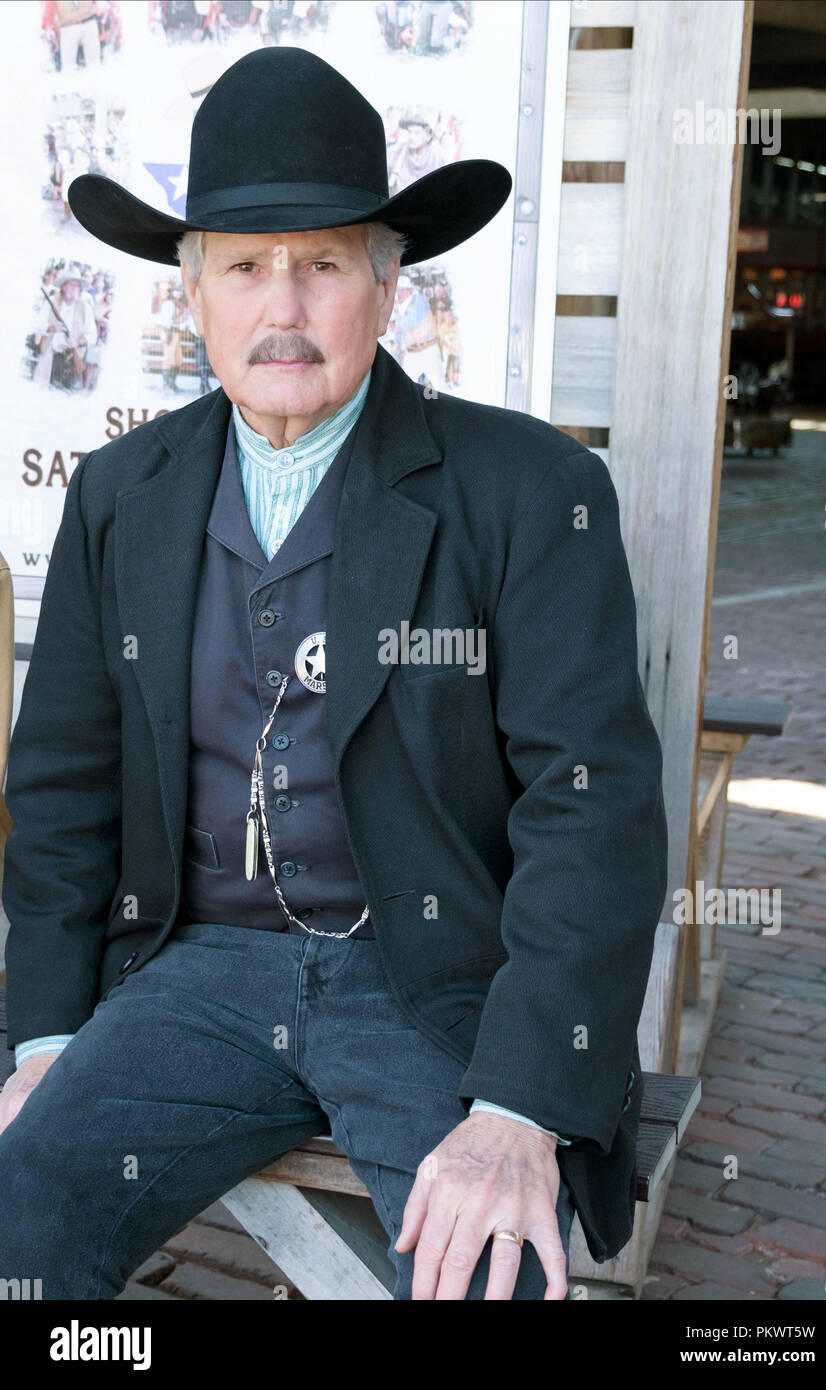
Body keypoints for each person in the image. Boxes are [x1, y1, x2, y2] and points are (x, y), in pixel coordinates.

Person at [0, 46, 666, 1301]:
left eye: (320, 262)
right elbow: (65, 791)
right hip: (193, 972)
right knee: (14, 1228)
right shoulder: (118, 498)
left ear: (389, 280)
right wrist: (43, 1039)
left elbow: (595, 812)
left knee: (486, 1278)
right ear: (191, 290)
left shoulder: (531, 495)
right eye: (245, 267)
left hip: (435, 982)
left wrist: (521, 1103)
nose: (282, 307)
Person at [31, 268, 97, 389]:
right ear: (63, 286)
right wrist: (51, 328)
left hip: (72, 362)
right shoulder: (52, 301)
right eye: (71, 284)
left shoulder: (85, 307)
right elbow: (36, 325)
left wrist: (77, 342)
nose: (74, 288)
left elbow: (93, 336)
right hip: (50, 357)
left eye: (77, 286)